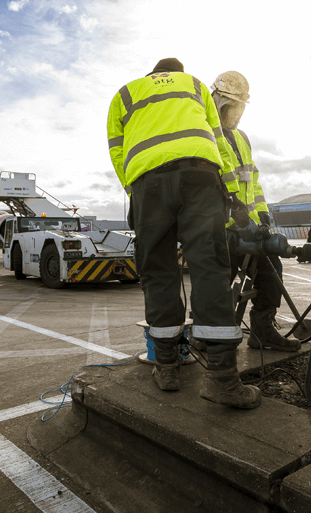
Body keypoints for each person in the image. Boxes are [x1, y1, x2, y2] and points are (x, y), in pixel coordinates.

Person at [108, 58, 261, 409]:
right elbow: (218, 138)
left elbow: (117, 151)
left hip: (149, 185)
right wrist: (234, 192)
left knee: (158, 273)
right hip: (200, 177)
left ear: (153, 74)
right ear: (175, 73)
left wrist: (135, 193)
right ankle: (222, 378)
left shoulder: (126, 94)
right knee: (209, 268)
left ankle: (166, 368)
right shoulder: (192, 85)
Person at [211, 70, 300, 353]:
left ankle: (262, 330)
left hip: (249, 225)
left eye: (239, 108)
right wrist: (230, 219)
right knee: (218, 285)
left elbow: (253, 182)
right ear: (216, 102)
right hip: (222, 229)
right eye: (230, 107)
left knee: (272, 271)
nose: (234, 114)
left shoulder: (241, 138)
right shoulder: (203, 135)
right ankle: (211, 337)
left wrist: (262, 216)